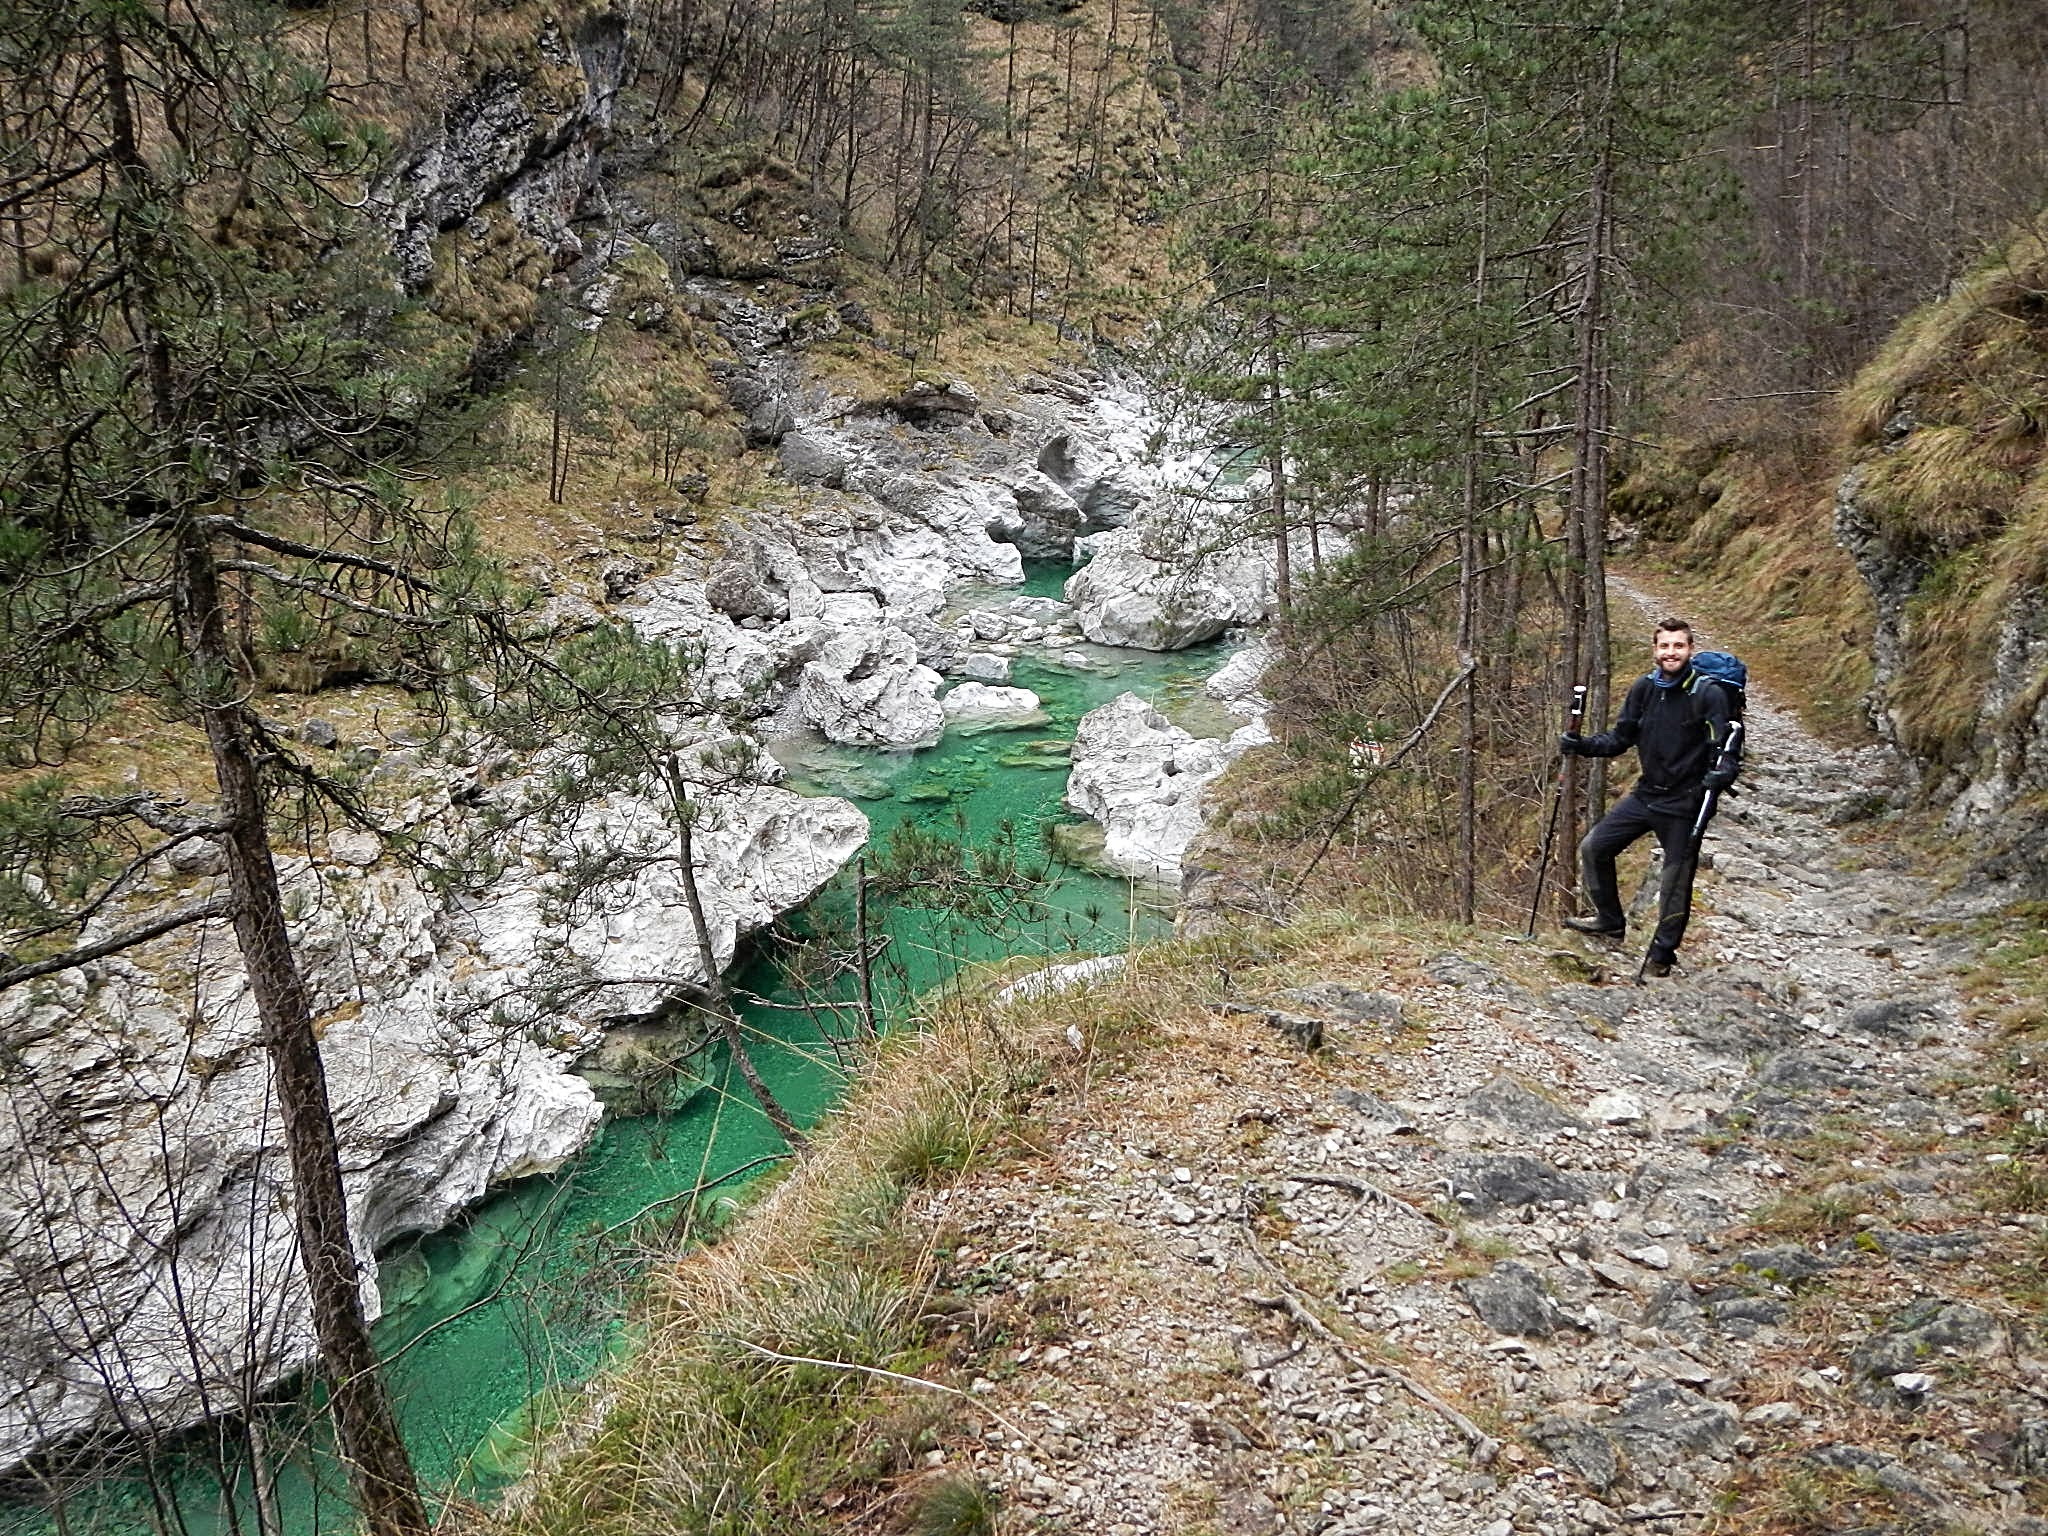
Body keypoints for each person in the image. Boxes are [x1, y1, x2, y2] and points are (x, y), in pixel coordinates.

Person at [1557, 618, 1740, 977]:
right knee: (1594, 848)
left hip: (1686, 803)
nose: (1671, 653)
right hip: (1646, 794)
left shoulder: (1708, 694)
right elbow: (1620, 738)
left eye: (1678, 646)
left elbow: (1728, 750)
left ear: (1690, 649)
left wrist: (1723, 774)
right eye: (1665, 646)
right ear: (1655, 650)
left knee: (1675, 882)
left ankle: (1661, 956)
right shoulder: (1644, 688)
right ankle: (1610, 922)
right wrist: (1582, 745)